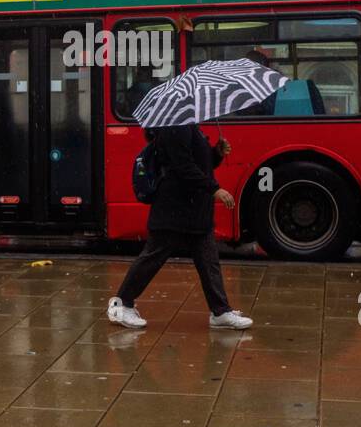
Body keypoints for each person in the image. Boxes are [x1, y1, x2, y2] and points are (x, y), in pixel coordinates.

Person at [107, 123, 254, 330]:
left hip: (195, 211)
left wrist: (216, 153)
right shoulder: (176, 125)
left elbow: (200, 163)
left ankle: (220, 312)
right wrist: (215, 189)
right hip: (174, 209)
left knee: (208, 261)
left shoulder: (189, 125)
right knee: (153, 257)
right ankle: (122, 304)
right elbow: (182, 166)